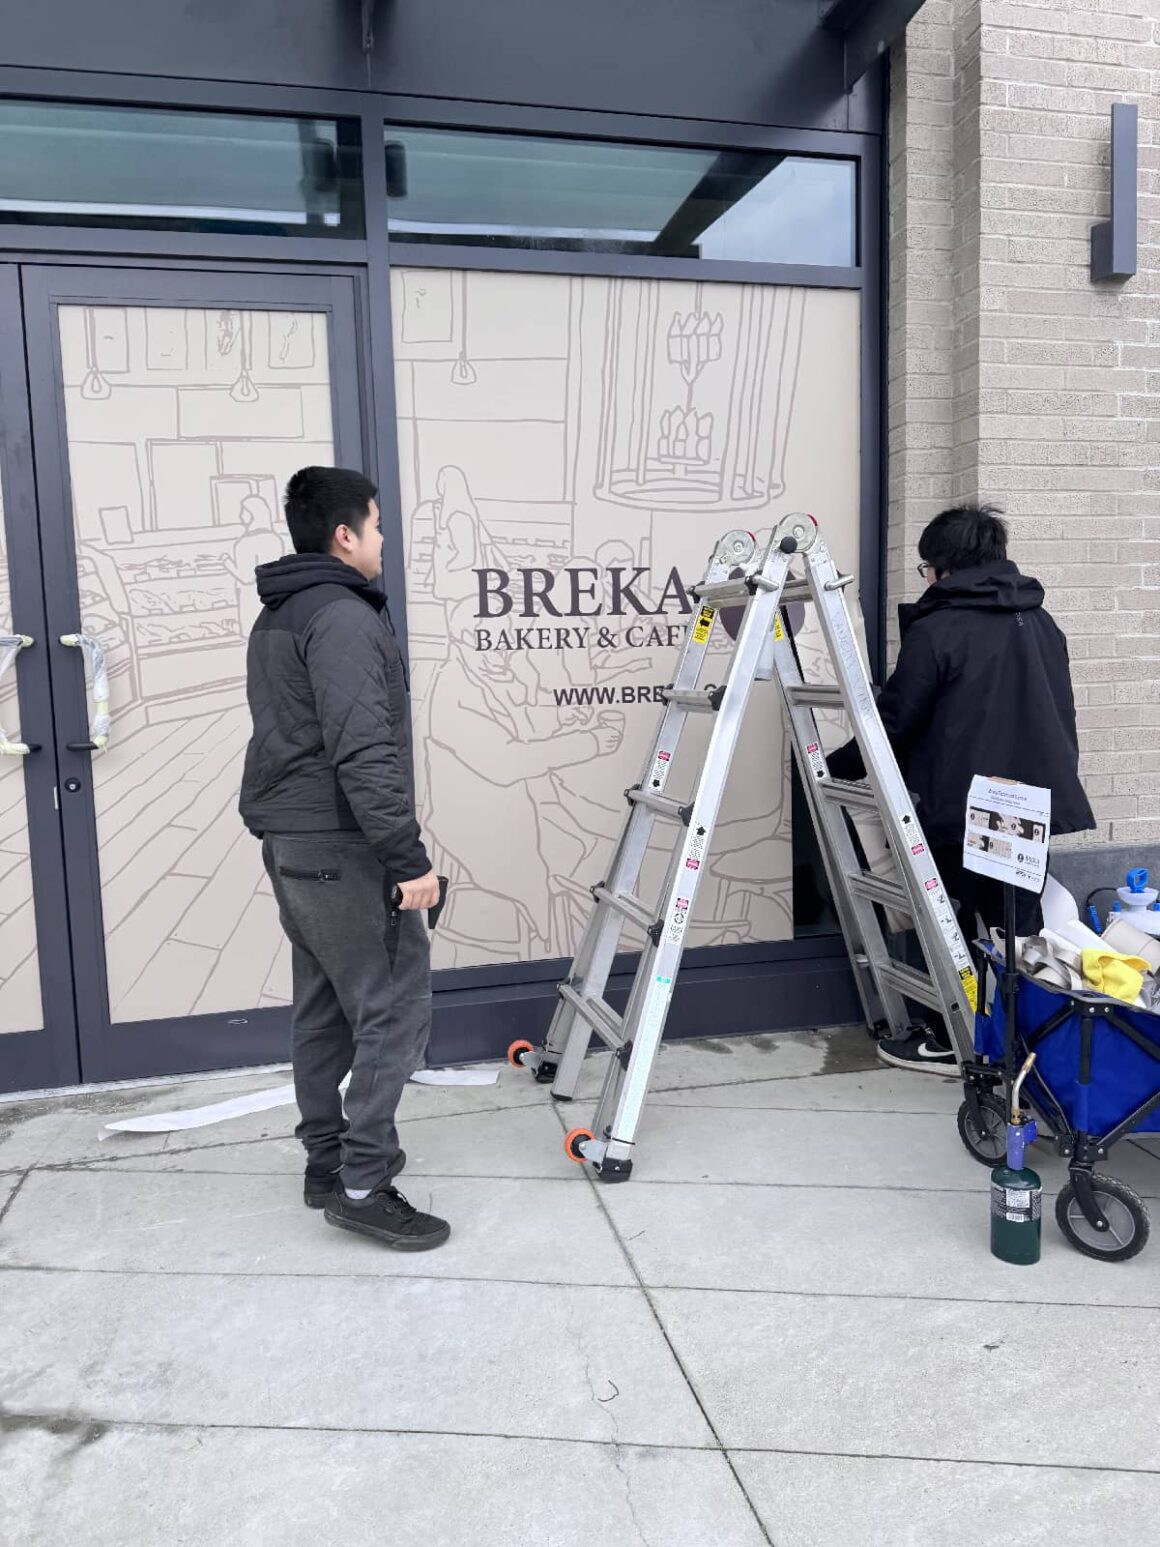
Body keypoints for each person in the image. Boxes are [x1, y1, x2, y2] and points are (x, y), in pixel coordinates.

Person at [238, 466, 449, 1249]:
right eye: (378, 524)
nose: (385, 539)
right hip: (342, 846)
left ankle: (325, 1164)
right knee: (395, 1005)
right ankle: (364, 1181)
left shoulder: (282, 614)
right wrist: (408, 861)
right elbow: (364, 752)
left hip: (293, 845)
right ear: (345, 534)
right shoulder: (344, 619)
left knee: (324, 1005)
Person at [829, 503, 1095, 1074]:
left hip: (969, 805)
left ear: (944, 567)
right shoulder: (1041, 621)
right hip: (1030, 801)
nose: (925, 579)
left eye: (926, 568)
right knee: (1014, 926)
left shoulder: (940, 629)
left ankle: (968, 1045)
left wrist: (841, 763)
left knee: (959, 921)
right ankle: (1024, 1047)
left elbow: (897, 720)